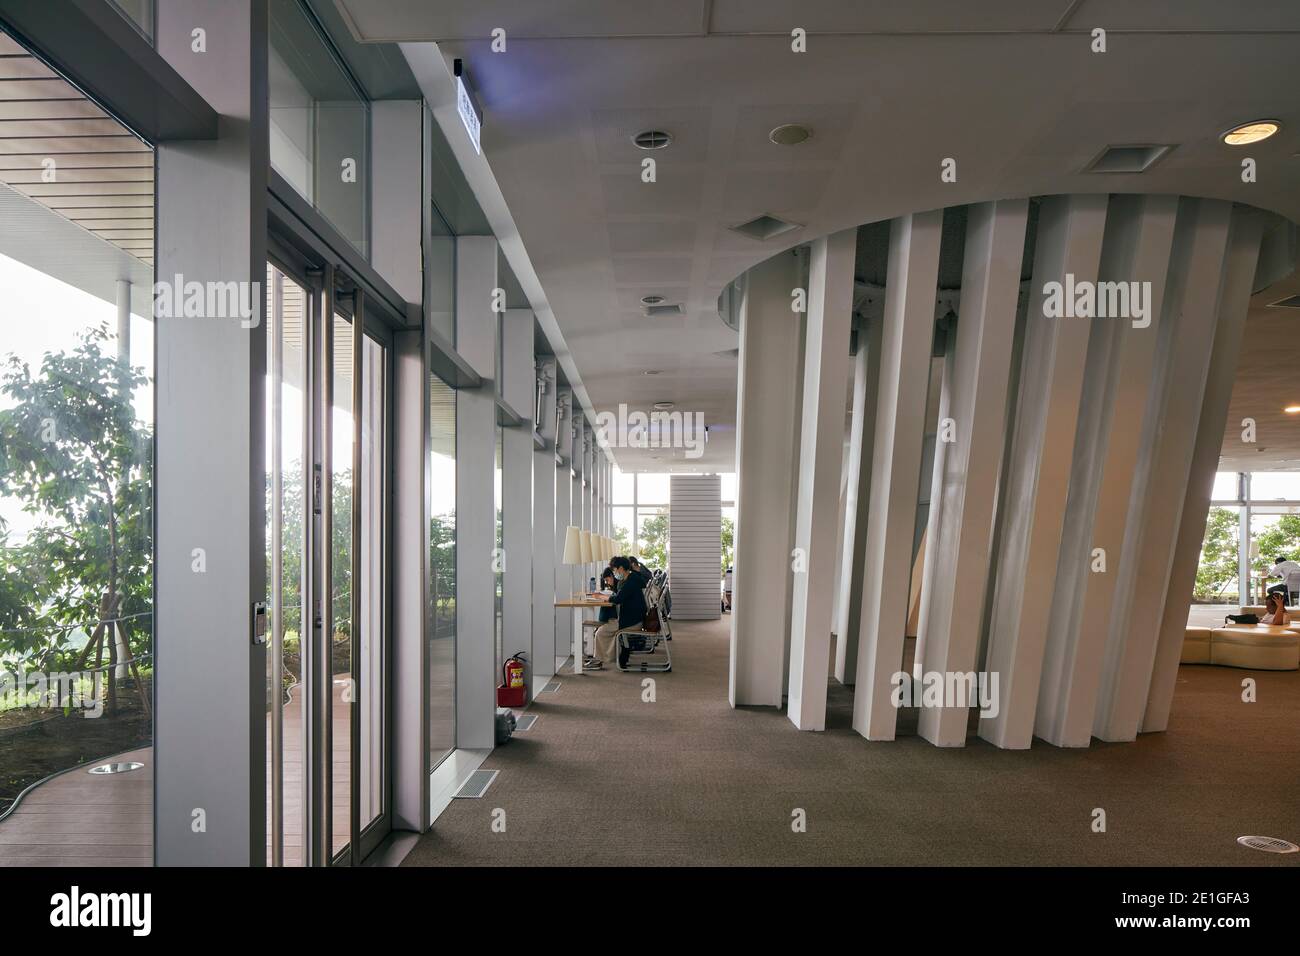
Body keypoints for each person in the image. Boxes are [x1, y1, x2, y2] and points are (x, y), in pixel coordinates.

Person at [593, 556, 646, 669]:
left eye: (615, 569)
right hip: (632, 618)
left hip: (632, 621)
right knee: (606, 624)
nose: (615, 572)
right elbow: (620, 597)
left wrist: (602, 597)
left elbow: (617, 599)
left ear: (621, 568)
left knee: (601, 632)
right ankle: (611, 656)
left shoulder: (631, 581)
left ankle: (600, 660)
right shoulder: (630, 579)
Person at [582, 566, 619, 670]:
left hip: (616, 621)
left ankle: (598, 660)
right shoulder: (615, 588)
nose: (607, 582)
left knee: (599, 633)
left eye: (607, 580)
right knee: (597, 630)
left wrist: (602, 596)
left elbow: (615, 600)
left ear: (612, 576)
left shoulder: (618, 587)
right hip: (613, 618)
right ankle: (596, 657)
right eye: (605, 580)